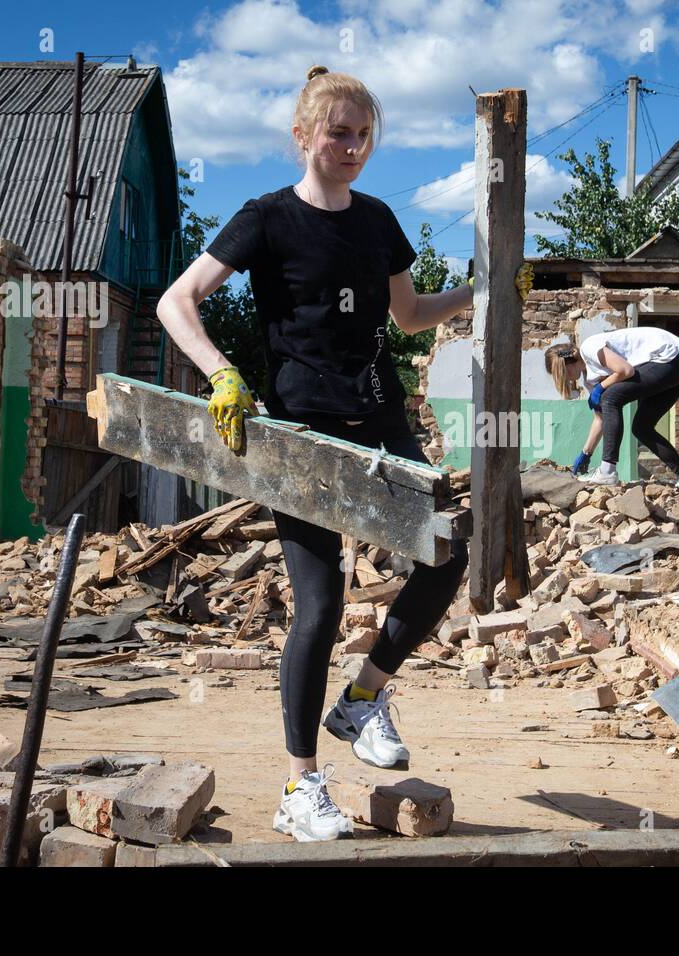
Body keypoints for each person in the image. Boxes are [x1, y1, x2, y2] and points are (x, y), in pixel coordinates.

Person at [156, 65, 532, 842]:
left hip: (378, 412)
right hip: (301, 431)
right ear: (302, 136)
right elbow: (176, 300)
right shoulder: (264, 219)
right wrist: (222, 374)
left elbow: (409, 317)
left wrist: (487, 286)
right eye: (338, 132)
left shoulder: (380, 221)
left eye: (364, 135)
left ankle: (363, 697)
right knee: (320, 604)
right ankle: (301, 785)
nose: (353, 146)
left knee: (444, 555)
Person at [544, 326, 679, 495]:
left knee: (610, 397)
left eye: (561, 373)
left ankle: (607, 471)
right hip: (678, 365)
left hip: (674, 357)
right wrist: (586, 453)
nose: (566, 379)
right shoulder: (590, 380)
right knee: (642, 428)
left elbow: (626, 370)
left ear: (566, 363)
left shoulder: (589, 348)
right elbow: (601, 418)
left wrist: (601, 389)